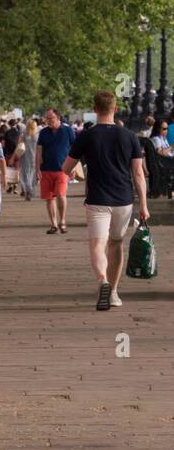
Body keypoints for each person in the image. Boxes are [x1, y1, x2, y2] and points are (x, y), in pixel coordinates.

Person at [61, 91, 148, 311]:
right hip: (124, 199)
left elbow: (66, 168)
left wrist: (79, 169)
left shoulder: (86, 136)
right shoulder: (129, 136)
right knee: (116, 244)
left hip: (98, 199)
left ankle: (103, 281)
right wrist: (144, 206)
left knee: (98, 245)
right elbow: (138, 174)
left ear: (95, 108)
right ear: (115, 108)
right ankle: (115, 293)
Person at [37, 108, 75, 233]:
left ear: (58, 117)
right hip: (46, 169)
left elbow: (74, 150)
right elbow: (39, 151)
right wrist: (37, 168)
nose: (48, 121)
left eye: (51, 118)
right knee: (49, 198)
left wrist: (73, 167)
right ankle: (53, 224)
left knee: (61, 194)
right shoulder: (43, 132)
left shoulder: (68, 130)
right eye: (47, 118)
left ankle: (62, 221)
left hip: (63, 169)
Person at [20, 118, 39, 201]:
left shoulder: (24, 134)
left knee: (25, 174)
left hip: (25, 156)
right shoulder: (38, 135)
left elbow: (19, 146)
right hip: (35, 157)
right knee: (33, 175)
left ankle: (28, 190)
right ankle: (31, 190)